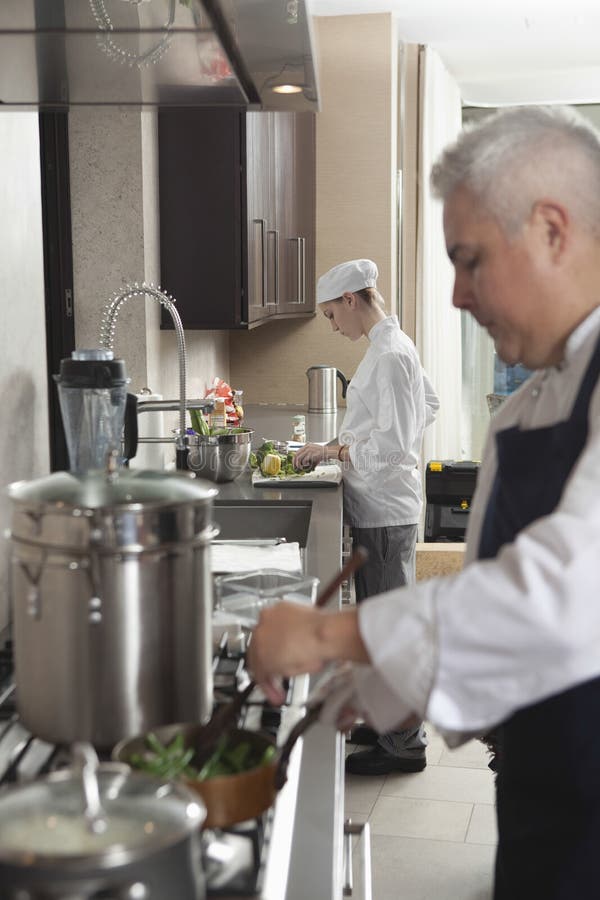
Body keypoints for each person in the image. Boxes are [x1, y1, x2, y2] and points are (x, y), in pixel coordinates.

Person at [248, 104, 600, 900]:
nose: (457, 296)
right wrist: (370, 688)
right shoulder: (535, 400)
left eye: (471, 261)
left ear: (552, 230)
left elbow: (563, 590)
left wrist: (329, 632)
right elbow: (496, 593)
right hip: (544, 785)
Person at [292, 258, 439, 775]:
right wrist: (355, 443)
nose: (333, 327)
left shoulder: (391, 354)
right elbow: (430, 404)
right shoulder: (389, 347)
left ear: (351, 300)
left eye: (332, 315)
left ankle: (406, 744)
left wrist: (336, 450)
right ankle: (386, 724)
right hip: (381, 505)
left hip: (386, 510)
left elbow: (394, 447)